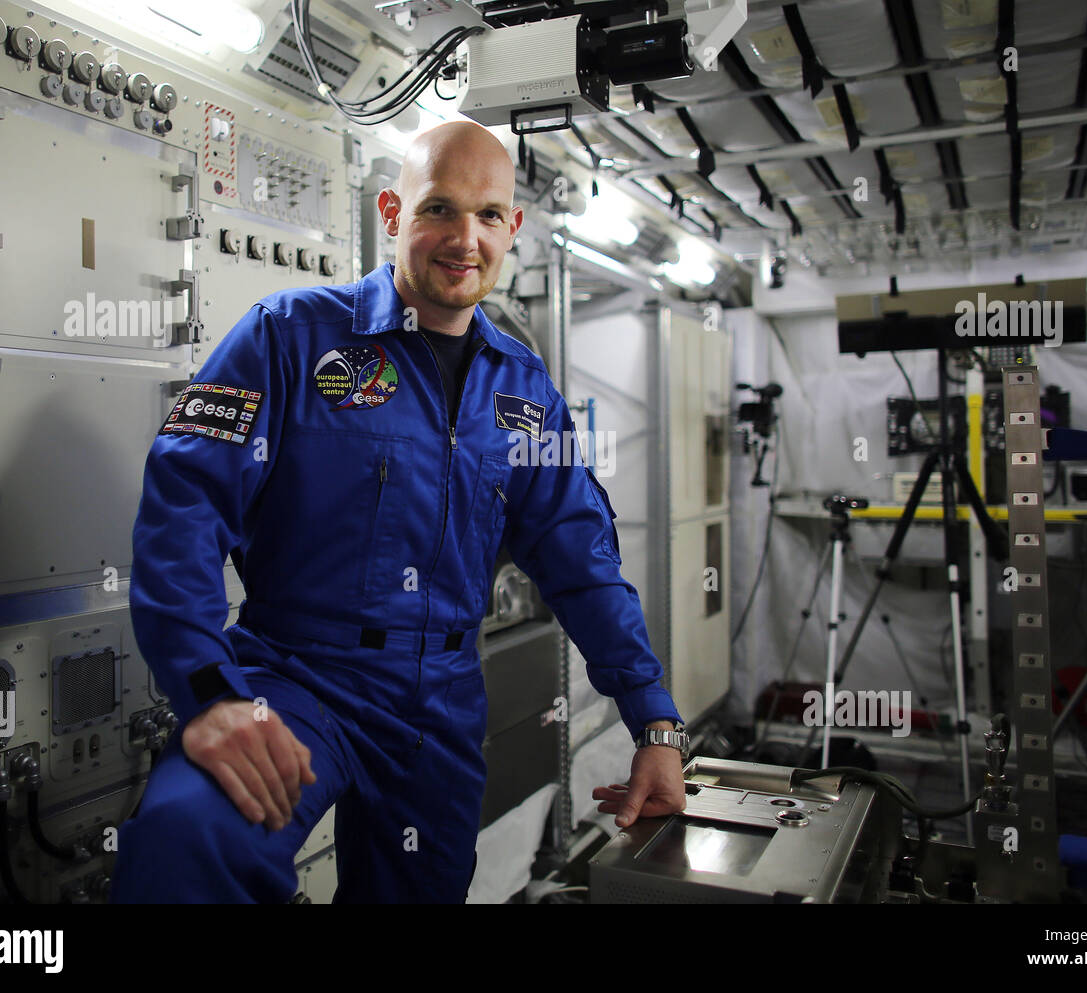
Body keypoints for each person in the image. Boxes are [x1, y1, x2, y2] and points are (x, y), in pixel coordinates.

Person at [110, 121, 686, 904]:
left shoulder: (523, 391)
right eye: (439, 209)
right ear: (391, 211)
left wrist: (653, 721)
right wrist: (208, 691)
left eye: (488, 215)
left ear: (512, 227)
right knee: (190, 836)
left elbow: (580, 556)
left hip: (440, 699)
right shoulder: (289, 337)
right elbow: (184, 510)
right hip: (296, 674)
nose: (464, 238)